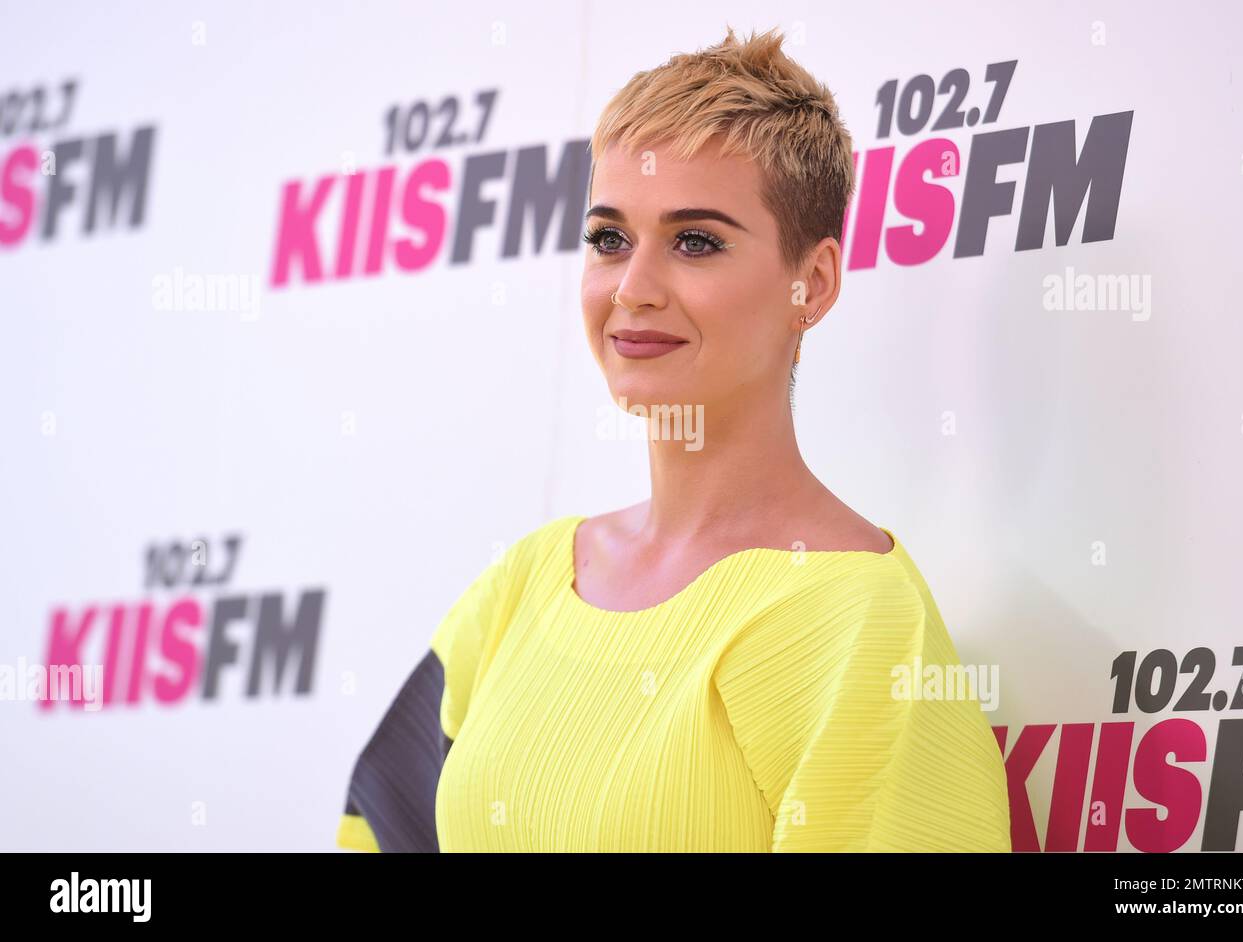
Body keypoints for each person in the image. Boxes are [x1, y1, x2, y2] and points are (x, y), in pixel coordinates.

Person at [337, 25, 1012, 853]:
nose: (634, 288)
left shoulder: (858, 623)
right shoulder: (525, 585)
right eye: (608, 238)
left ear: (815, 282)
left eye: (696, 241)